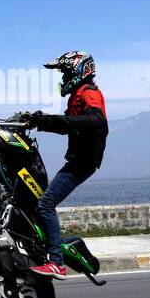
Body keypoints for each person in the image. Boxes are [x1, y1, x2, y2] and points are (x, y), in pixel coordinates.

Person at [26, 51, 107, 278]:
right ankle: (66, 247)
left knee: (45, 204)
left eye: (66, 71)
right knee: (39, 201)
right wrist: (39, 120)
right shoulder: (75, 96)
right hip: (78, 160)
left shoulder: (89, 91)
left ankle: (56, 263)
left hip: (84, 160)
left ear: (79, 70)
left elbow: (96, 119)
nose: (63, 77)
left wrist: (50, 120)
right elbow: (66, 126)